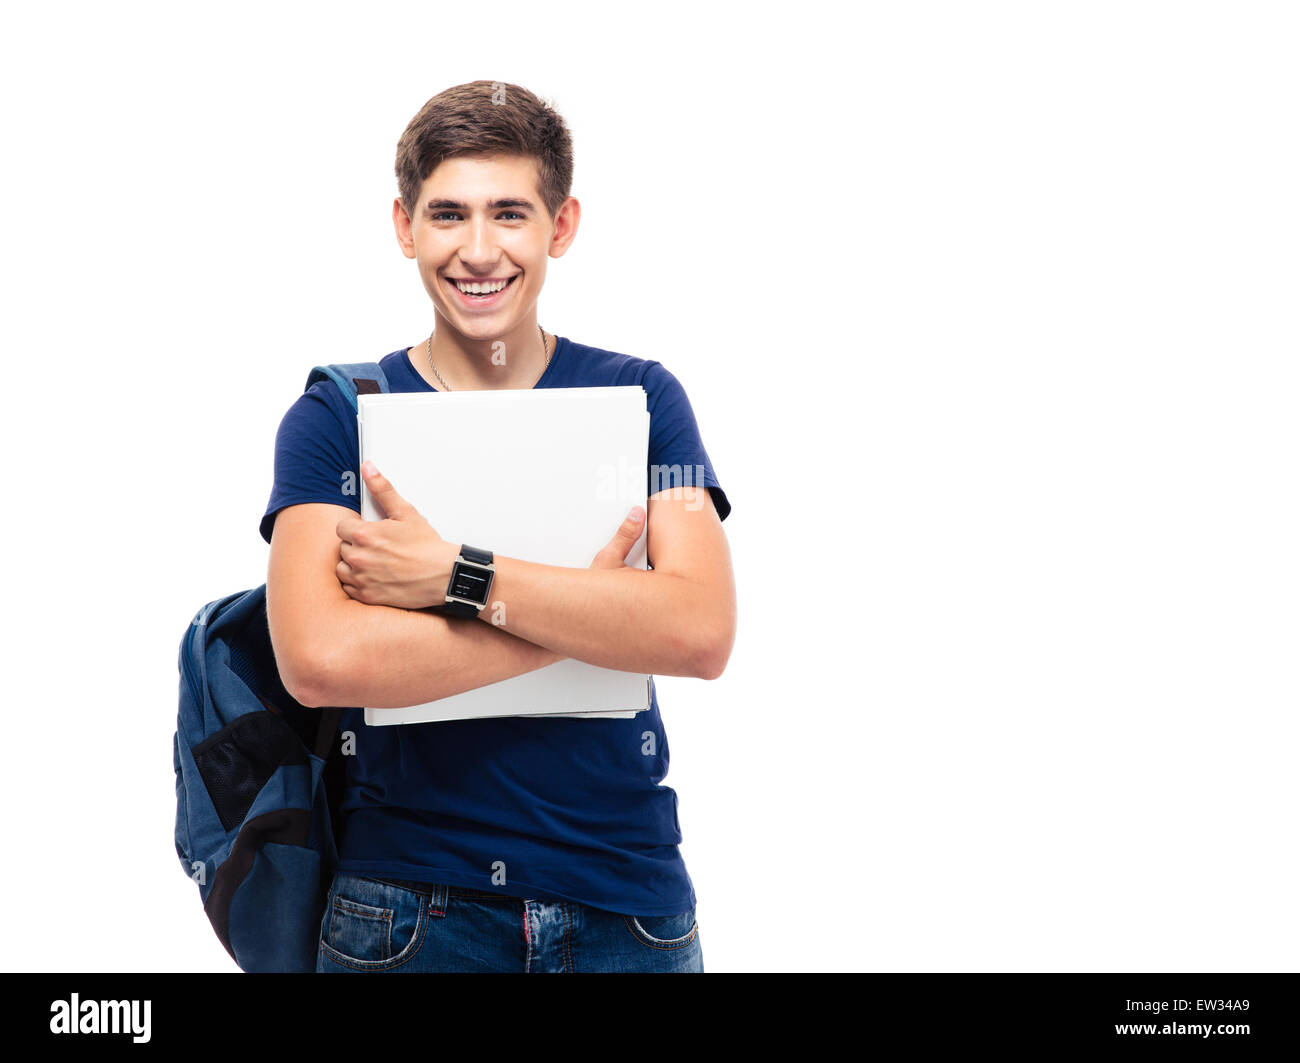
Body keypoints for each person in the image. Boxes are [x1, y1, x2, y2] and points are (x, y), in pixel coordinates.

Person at [261, 81, 735, 973]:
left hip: (626, 911)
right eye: (448, 214)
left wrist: (456, 579)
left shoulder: (645, 401)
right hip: (404, 914)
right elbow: (321, 660)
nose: (479, 250)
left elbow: (701, 631)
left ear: (561, 226)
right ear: (404, 227)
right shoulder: (336, 415)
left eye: (510, 213)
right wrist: (594, 619)